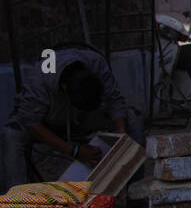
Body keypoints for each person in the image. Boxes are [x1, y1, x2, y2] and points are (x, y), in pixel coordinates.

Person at [1, 45, 145, 190]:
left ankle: (136, 192)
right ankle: (16, 205)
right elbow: (30, 122)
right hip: (47, 122)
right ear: (65, 89)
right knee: (11, 135)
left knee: (133, 118)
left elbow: (115, 101)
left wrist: (121, 137)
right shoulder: (40, 76)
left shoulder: (96, 63)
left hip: (83, 118)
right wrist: (74, 151)